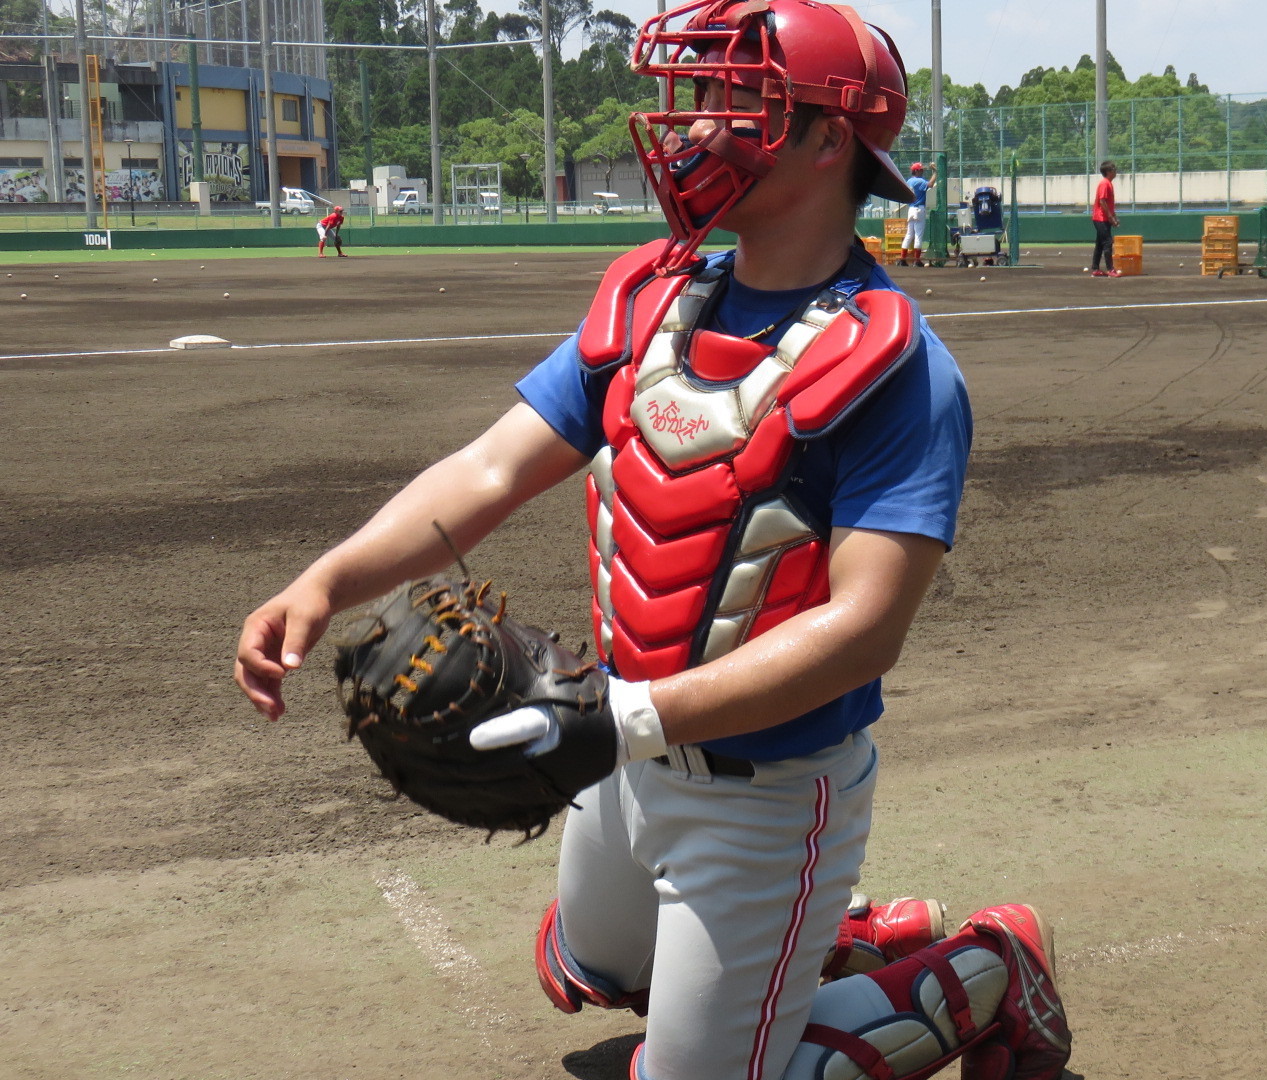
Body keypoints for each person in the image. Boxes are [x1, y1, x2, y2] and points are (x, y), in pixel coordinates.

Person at [231, 3, 1071, 1080]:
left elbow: (865, 631)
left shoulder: (893, 366)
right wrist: (326, 580)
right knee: (580, 966)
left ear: (828, 140)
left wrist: (628, 717)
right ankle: (841, 936)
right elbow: (490, 471)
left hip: (771, 785)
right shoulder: (650, 302)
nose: (698, 130)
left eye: (737, 107)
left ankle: (988, 969)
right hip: (626, 759)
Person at [1089, 160, 1117, 276]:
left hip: (1102, 218)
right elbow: (1102, 201)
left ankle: (1095, 268)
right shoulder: (1105, 183)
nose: (1115, 171)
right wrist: (1111, 217)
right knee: (1107, 242)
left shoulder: (1108, 183)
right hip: (1101, 218)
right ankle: (1110, 269)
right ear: (1108, 172)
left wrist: (1113, 217)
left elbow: (1108, 203)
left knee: (1100, 243)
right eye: (1113, 169)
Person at [900, 160, 929, 267]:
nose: (922, 172)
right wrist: (935, 172)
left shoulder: (909, 181)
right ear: (916, 171)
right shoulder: (920, 181)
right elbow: (930, 184)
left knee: (909, 235)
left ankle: (902, 259)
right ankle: (917, 260)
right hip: (919, 209)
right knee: (918, 235)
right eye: (920, 170)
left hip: (911, 209)